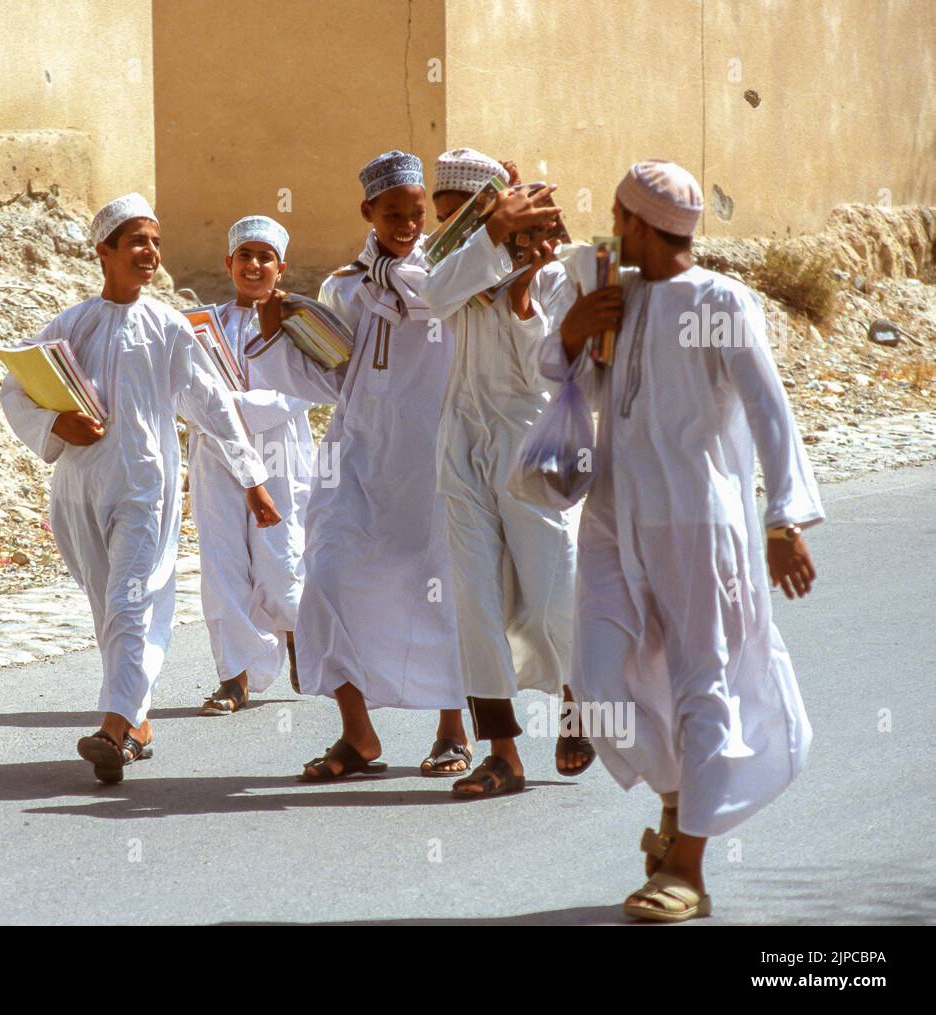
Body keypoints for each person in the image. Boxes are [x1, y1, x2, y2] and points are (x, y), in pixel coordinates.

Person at [546, 159, 823, 921]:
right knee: (596, 684)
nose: (609, 225)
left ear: (639, 223)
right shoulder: (617, 293)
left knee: (706, 683)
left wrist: (784, 519)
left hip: (698, 522)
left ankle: (689, 868)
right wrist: (573, 330)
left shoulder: (720, 300)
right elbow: (562, 376)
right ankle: (679, 797)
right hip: (610, 517)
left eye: (616, 214)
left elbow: (771, 412)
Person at [0, 193, 279, 783]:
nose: (150, 252)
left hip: (145, 490)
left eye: (155, 241)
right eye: (137, 241)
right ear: (105, 251)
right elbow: (15, 389)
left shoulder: (168, 327)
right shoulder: (71, 325)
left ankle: (112, 726)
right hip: (77, 492)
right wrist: (55, 425)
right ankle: (138, 725)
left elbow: (212, 405)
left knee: (130, 603)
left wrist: (251, 478)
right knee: (110, 609)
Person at [249, 151, 465, 780]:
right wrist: (274, 333)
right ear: (368, 212)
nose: (406, 224)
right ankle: (357, 734)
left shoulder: (449, 278)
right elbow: (331, 379)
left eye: (416, 213)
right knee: (330, 581)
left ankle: (453, 729)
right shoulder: (344, 287)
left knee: (438, 590)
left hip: (432, 457)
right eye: (392, 213)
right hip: (358, 457)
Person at [422, 147, 591, 796]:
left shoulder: (558, 267)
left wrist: (520, 288)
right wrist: (487, 241)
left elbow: (549, 369)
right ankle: (503, 754)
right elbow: (433, 296)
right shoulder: (459, 259)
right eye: (445, 220)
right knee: (474, 598)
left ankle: (578, 696)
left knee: (552, 592)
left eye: (461, 215)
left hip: (531, 441)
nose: (447, 231)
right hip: (462, 442)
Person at [190, 215, 314, 715]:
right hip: (216, 457)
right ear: (229, 263)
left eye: (265, 257)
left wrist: (232, 408)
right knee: (223, 565)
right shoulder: (199, 326)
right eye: (246, 256)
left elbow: (302, 388)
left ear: (280, 268)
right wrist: (220, 417)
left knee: (282, 557)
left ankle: (296, 640)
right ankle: (234, 677)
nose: (255, 265)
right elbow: (186, 392)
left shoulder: (296, 324)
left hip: (279, 454)